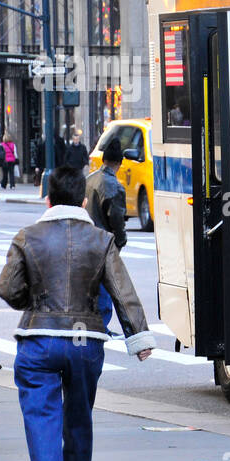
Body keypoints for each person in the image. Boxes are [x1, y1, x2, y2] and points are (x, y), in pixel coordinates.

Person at [0, 166, 156, 461]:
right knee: (79, 418)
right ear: (83, 201)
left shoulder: (27, 236)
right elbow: (123, 291)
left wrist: (32, 302)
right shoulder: (100, 240)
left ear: (48, 199)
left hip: (39, 339)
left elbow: (7, 288)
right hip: (86, 344)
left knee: (42, 417)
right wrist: (139, 337)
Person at [85, 139, 128, 331]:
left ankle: (92, 322)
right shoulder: (114, 186)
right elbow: (117, 219)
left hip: (86, 239)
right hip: (104, 244)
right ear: (119, 163)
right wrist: (120, 240)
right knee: (105, 288)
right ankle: (100, 325)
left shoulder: (90, 179)